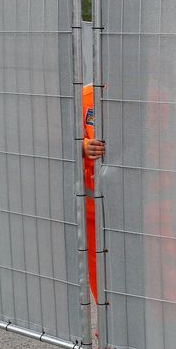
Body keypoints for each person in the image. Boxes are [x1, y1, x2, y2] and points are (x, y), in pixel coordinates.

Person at [82, 84, 105, 302]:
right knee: (99, 268)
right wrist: (84, 147)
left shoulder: (154, 94)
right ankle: (109, 329)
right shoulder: (86, 98)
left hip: (146, 208)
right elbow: (64, 137)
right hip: (95, 209)